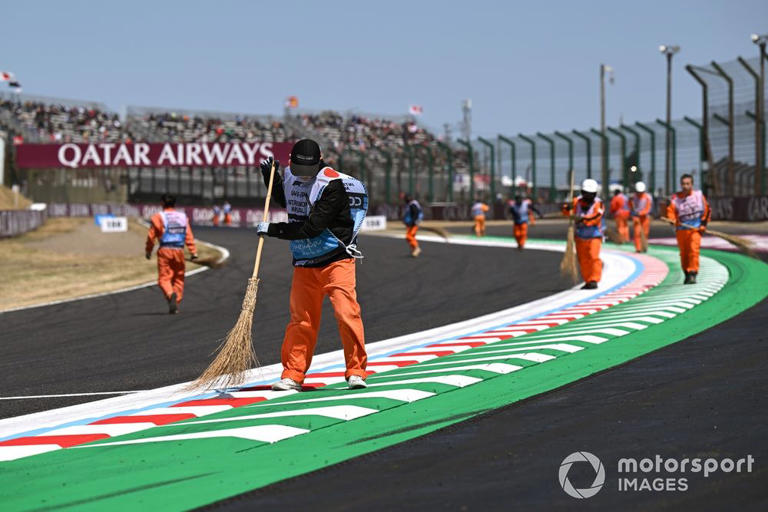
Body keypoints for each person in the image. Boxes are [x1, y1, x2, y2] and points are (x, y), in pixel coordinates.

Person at [256, 139, 369, 391]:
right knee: (301, 321)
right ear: (291, 163)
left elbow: (311, 227)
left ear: (319, 161)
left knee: (345, 313)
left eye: (307, 170)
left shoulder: (332, 185)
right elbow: (286, 201)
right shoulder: (290, 175)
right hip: (305, 261)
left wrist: (273, 230)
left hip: (335, 258)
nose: (302, 175)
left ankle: (356, 370)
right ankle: (293, 374)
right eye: (297, 169)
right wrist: (271, 179)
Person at [145, 194, 198, 314]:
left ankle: (170, 294)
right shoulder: (182, 217)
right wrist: (193, 251)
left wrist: (148, 250)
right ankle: (176, 300)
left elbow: (151, 236)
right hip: (179, 250)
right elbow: (188, 235)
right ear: (174, 204)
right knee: (178, 278)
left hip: (165, 251)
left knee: (164, 278)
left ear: (162, 204)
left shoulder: (158, 217)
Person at [665, 174, 711, 284]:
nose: (685, 186)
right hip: (681, 229)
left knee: (693, 250)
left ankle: (693, 273)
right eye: (683, 184)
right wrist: (672, 220)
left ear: (692, 184)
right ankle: (686, 272)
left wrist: (703, 224)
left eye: (687, 184)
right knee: (684, 253)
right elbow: (670, 211)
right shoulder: (676, 198)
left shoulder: (699, 196)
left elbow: (707, 210)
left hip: (695, 228)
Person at [562, 179, 605, 289]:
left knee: (593, 256)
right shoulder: (576, 201)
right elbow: (566, 212)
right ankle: (588, 280)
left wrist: (583, 219)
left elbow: (596, 217)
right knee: (583, 259)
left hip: (594, 235)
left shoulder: (599, 203)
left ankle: (594, 279)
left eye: (590, 194)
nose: (588, 197)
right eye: (586, 194)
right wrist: (568, 207)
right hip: (580, 235)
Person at [629, 181, 653, 253]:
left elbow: (648, 209)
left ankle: (644, 246)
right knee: (637, 233)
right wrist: (633, 212)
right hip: (636, 218)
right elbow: (630, 206)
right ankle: (638, 248)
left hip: (645, 218)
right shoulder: (633, 197)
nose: (639, 193)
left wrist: (640, 213)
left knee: (645, 233)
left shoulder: (648, 197)